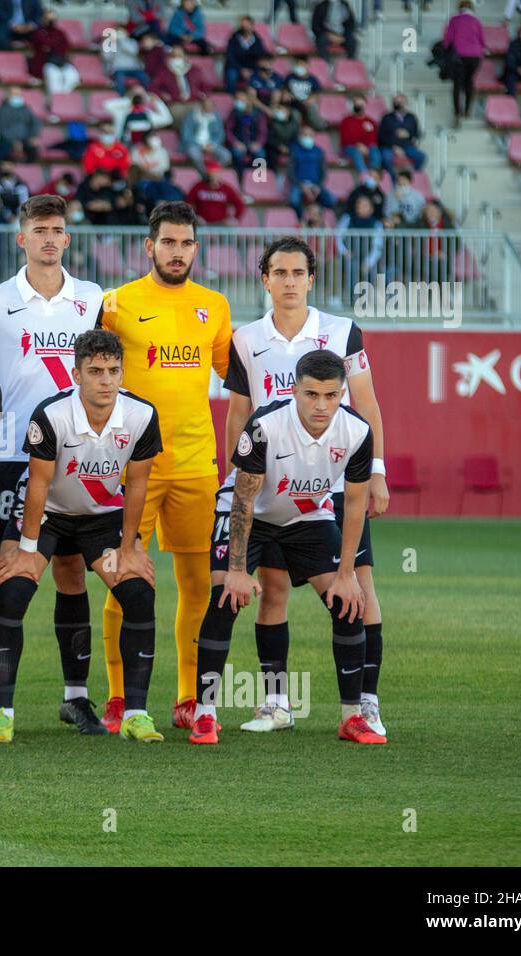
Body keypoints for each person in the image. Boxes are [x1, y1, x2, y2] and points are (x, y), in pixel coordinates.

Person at [211, 237, 389, 738]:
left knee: (358, 586)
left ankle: (365, 704)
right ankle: (276, 705)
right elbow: (239, 413)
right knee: (271, 592)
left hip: (334, 480)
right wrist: (234, 477)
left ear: (312, 279)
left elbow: (367, 404)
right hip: (270, 488)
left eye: (298, 273)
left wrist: (376, 469)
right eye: (279, 272)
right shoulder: (246, 339)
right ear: (264, 279)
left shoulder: (340, 331)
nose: (289, 281)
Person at [0, 194, 107, 734]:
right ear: (21, 238)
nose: (49, 238)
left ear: (67, 239)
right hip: (8, 456)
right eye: (38, 229)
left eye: (57, 230)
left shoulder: (91, 298)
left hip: (77, 456)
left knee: (72, 571)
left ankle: (76, 697)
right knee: (3, 576)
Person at [191, 348, 383, 745]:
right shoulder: (265, 426)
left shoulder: (358, 432)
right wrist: (239, 571)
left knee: (349, 602)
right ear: (294, 390)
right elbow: (244, 499)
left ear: (342, 393)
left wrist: (347, 574)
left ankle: (352, 716)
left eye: (331, 396)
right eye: (311, 395)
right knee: (225, 598)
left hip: (306, 519)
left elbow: (355, 505)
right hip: (250, 516)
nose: (321, 405)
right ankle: (205, 713)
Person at [0, 329, 164, 742]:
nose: (105, 380)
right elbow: (37, 483)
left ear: (123, 373)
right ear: (76, 374)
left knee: (138, 593)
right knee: (13, 590)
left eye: (113, 371)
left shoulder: (141, 415)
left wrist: (129, 546)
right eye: (95, 371)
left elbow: (137, 485)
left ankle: (136, 713)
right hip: (47, 514)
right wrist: (28, 548)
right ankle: (1, 713)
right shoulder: (51, 414)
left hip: (101, 519)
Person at [98, 201, 232, 733]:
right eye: (168, 243)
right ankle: (116, 697)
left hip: (198, 464)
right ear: (148, 246)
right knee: (122, 575)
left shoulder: (215, 306)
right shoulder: (116, 304)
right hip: (133, 466)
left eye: (187, 244)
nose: (178, 252)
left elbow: (237, 378)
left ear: (196, 249)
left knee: (199, 585)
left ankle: (187, 698)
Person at [442, 0, 485, 126]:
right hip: (475, 56)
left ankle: (457, 112)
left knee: (457, 84)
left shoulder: (454, 20)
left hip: (459, 56)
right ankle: (467, 111)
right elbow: (482, 41)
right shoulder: (476, 21)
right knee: (469, 82)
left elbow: (448, 39)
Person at [337, 194, 384, 302]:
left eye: (364, 205)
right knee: (351, 268)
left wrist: (369, 262)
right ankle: (352, 300)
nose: (360, 207)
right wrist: (344, 251)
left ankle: (369, 301)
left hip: (369, 255)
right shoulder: (347, 219)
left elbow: (377, 246)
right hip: (351, 254)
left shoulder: (376, 224)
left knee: (373, 271)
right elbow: (338, 237)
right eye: (359, 204)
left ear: (371, 209)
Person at [182, 95, 233, 178]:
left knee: (226, 156)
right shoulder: (191, 116)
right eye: (207, 106)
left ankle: (212, 172)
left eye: (211, 106)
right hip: (194, 144)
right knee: (194, 155)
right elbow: (186, 135)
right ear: (202, 106)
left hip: (211, 144)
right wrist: (202, 146)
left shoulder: (216, 116)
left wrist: (212, 144)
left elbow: (220, 134)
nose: (210, 108)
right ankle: (205, 175)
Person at [288, 127, 335, 215]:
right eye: (305, 135)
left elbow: (323, 172)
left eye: (310, 135)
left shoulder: (319, 151)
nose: (308, 137)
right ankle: (302, 219)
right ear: (300, 137)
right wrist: (302, 186)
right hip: (299, 185)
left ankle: (318, 218)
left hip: (315, 184)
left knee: (331, 200)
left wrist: (318, 186)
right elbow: (290, 173)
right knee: (293, 200)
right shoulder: (294, 150)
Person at [378, 95, 426, 173]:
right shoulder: (386, 117)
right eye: (395, 102)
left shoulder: (411, 117)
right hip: (389, 147)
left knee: (421, 157)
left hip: (407, 146)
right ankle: (392, 180)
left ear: (406, 103)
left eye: (400, 102)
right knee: (385, 158)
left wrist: (408, 134)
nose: (397, 103)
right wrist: (394, 147)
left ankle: (409, 178)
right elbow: (381, 136)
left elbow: (418, 134)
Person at [227, 90, 267, 179]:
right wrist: (235, 142)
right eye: (237, 99)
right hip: (239, 143)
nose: (238, 102)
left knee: (260, 155)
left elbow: (263, 132)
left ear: (248, 101)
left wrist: (258, 143)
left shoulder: (258, 114)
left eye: (241, 100)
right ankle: (241, 179)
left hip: (254, 142)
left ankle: (258, 180)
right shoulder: (234, 113)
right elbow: (229, 131)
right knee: (237, 154)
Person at [339, 96, 381, 177]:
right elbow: (345, 138)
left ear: (365, 105)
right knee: (356, 153)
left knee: (375, 152)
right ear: (353, 105)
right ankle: (365, 177)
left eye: (361, 104)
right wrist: (358, 145)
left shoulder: (370, 121)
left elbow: (373, 138)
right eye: (356, 103)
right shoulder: (346, 121)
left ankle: (373, 175)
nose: (358, 106)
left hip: (367, 147)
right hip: (350, 147)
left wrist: (366, 147)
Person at [224, 16, 268, 93]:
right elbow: (230, 58)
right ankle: (232, 97)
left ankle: (259, 97)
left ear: (252, 25)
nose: (244, 27)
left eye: (247, 25)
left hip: (252, 67)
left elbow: (261, 56)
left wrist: (251, 69)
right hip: (236, 67)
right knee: (231, 75)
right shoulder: (234, 39)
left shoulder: (257, 40)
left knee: (264, 73)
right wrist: (241, 70)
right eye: (243, 25)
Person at [0, 87, 40, 161]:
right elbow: (2, 128)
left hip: (25, 139)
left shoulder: (26, 108)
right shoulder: (3, 110)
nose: (16, 96)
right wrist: (14, 142)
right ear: (8, 96)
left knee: (34, 150)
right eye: (14, 94)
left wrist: (33, 136)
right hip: (8, 141)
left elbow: (35, 122)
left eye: (18, 94)